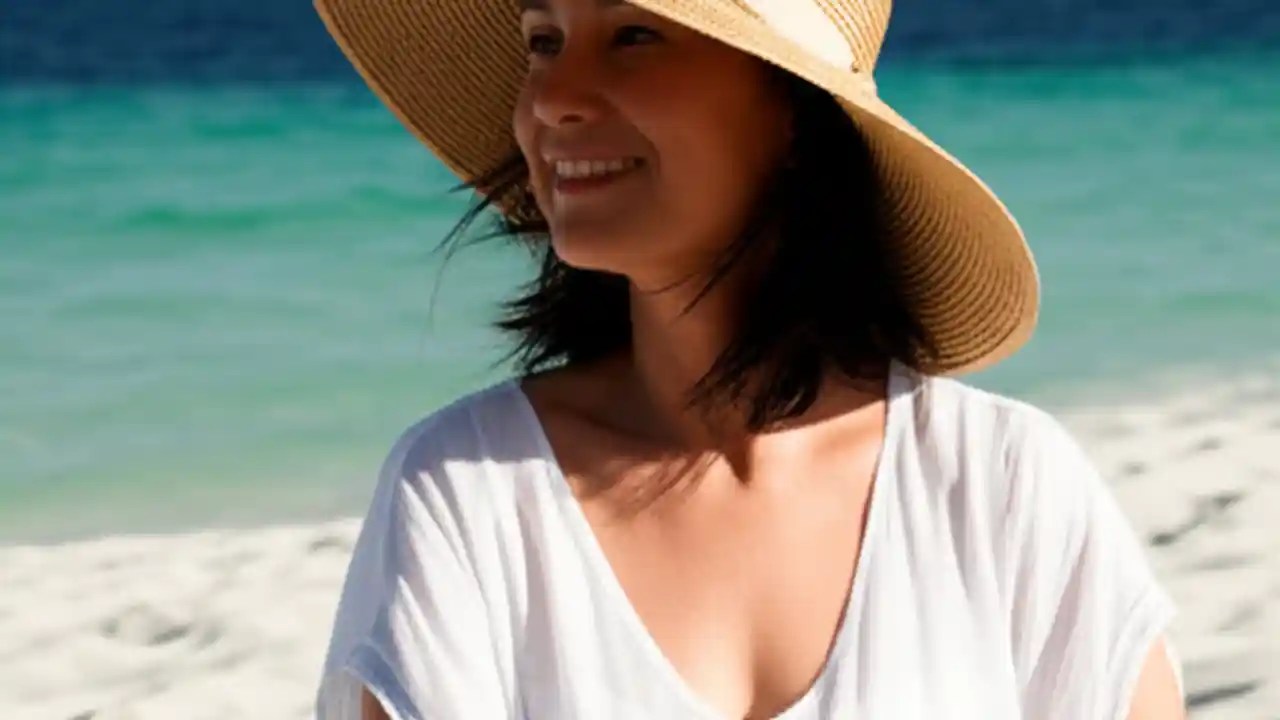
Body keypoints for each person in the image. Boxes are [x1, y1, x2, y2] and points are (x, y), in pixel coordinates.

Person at [311, 0, 1187, 717]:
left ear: (797, 113)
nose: (553, 99)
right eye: (544, 42)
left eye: (633, 36)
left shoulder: (1002, 487)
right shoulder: (467, 496)